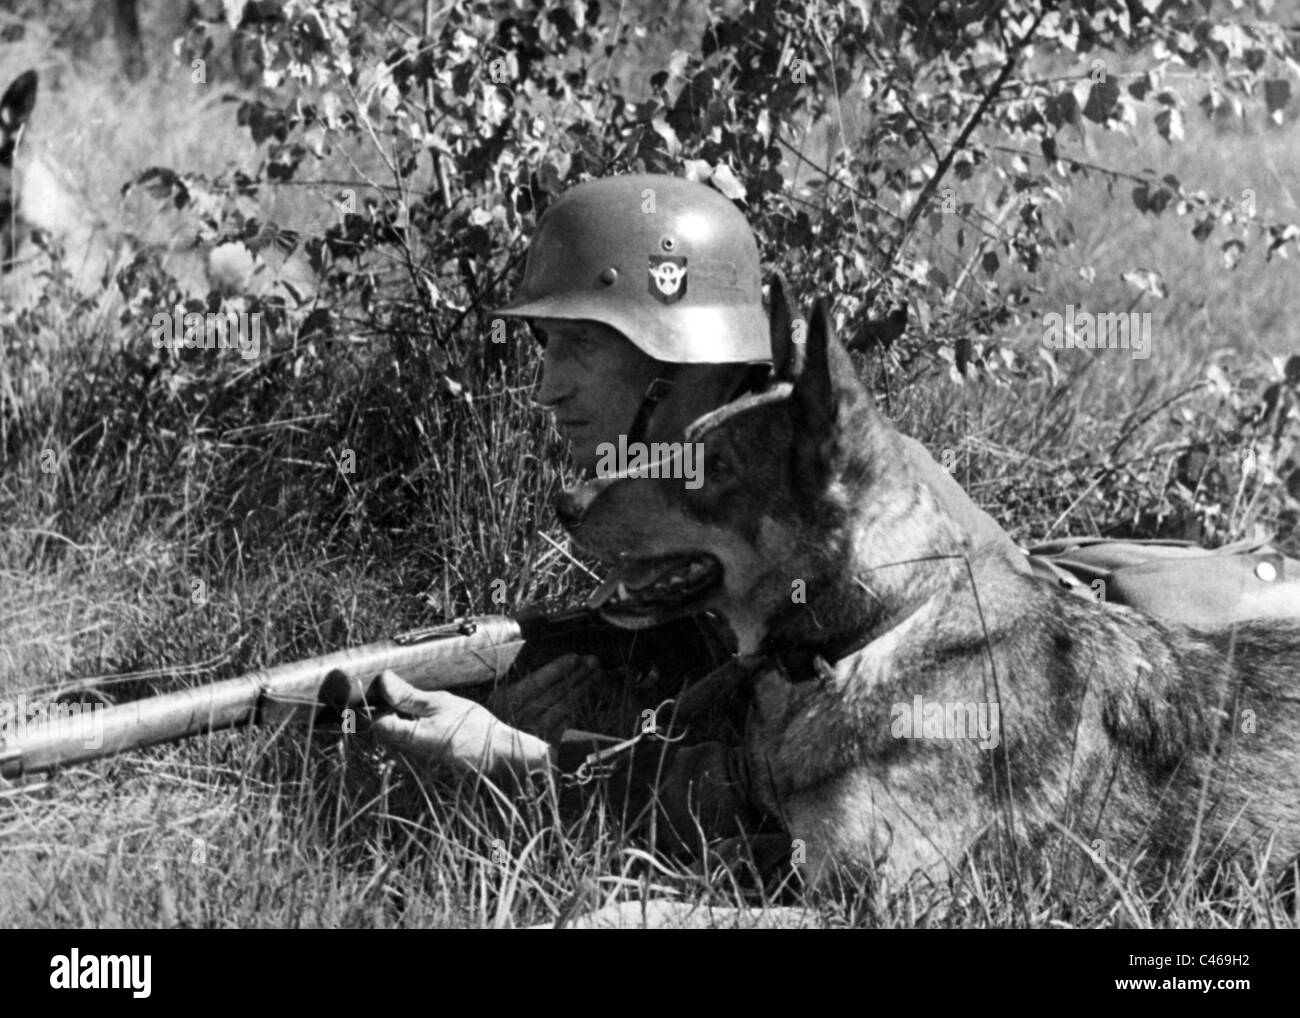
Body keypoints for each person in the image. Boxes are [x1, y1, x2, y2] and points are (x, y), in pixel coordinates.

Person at [371, 173, 1300, 866]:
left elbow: (803, 807)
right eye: (546, 346)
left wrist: (532, 767)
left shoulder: (841, 522)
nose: (546, 388)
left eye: (579, 345)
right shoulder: (712, 499)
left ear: (674, 355)